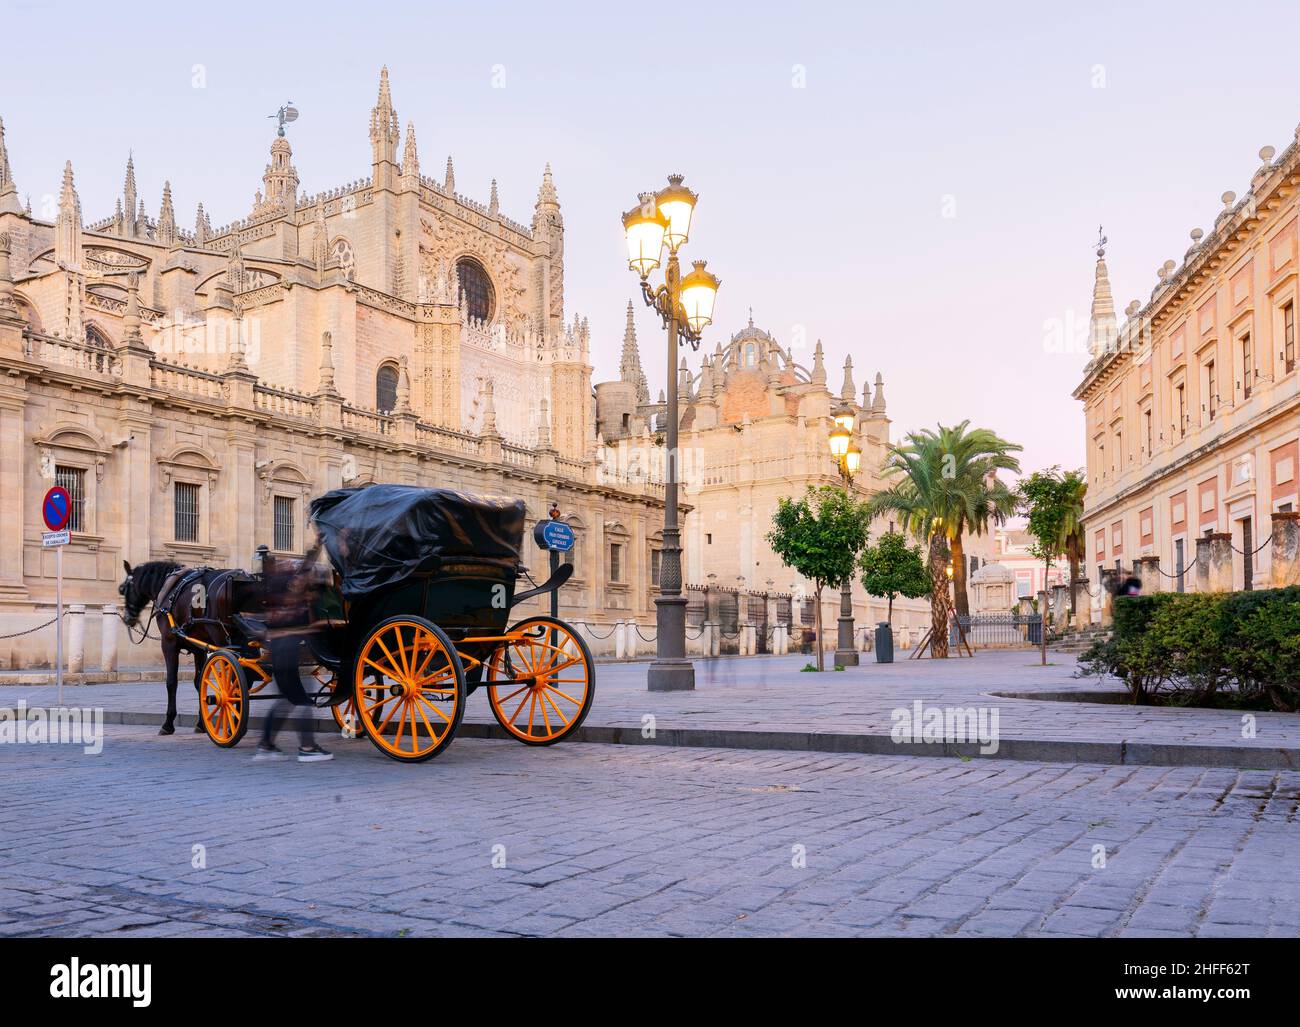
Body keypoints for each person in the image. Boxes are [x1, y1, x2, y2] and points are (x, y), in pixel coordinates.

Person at [253, 547, 333, 763]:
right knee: (302, 701)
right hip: (290, 652)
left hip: (279, 651)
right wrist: (316, 549)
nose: (288, 564)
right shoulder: (293, 592)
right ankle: (307, 748)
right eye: (285, 565)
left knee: (285, 700)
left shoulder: (274, 596)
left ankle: (266, 745)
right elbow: (304, 572)